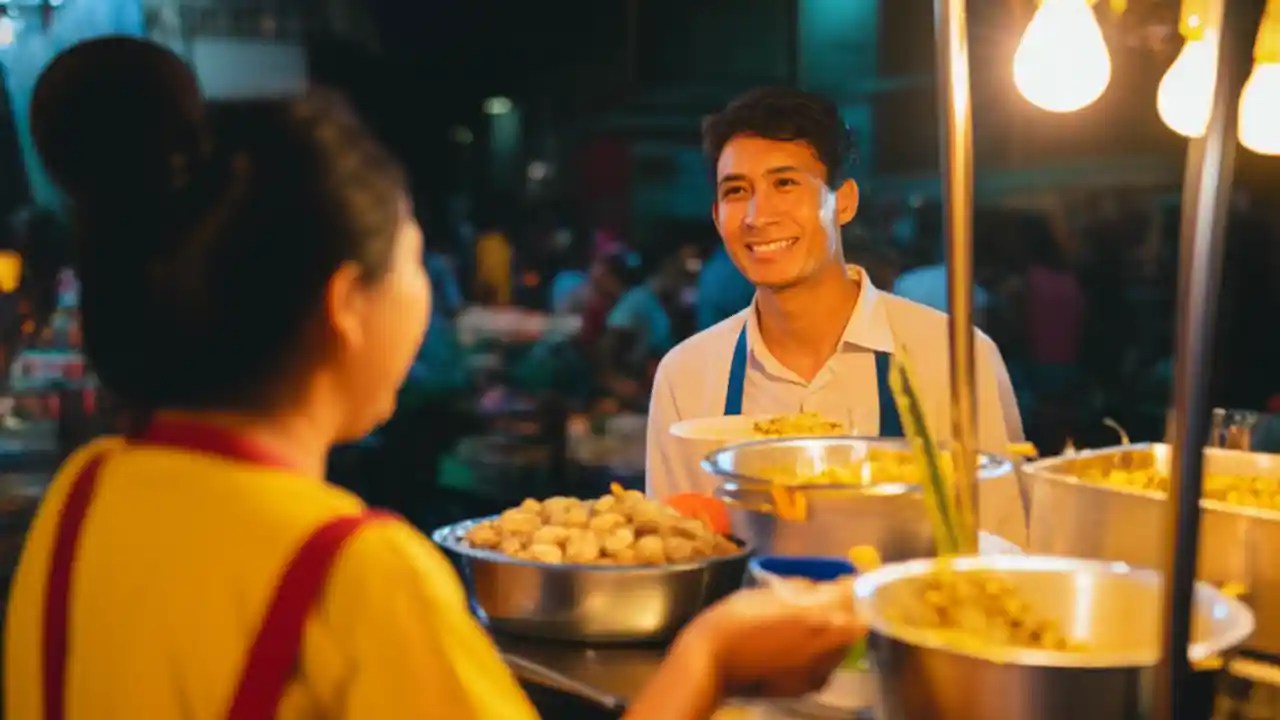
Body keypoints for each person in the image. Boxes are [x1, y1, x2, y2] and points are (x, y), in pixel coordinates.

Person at [5, 38, 863, 720]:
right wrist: (710, 658)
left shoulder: (87, 490)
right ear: (346, 304)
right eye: (412, 259)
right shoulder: (357, 569)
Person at [646, 87, 1025, 540]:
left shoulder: (954, 358)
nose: (757, 214)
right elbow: (673, 550)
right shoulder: (686, 376)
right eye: (736, 190)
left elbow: (1005, 545)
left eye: (785, 183)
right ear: (716, 214)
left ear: (843, 202)